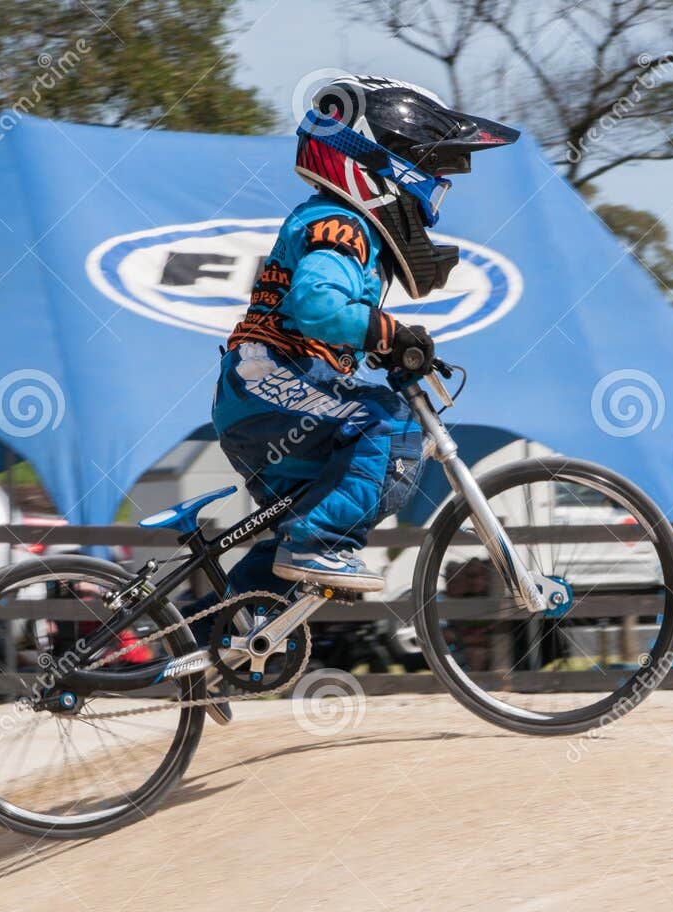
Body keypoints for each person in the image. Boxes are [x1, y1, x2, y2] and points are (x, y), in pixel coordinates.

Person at [212, 75, 518, 594]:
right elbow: (319, 305)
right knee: (391, 425)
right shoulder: (340, 223)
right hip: (270, 378)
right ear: (382, 162)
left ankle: (231, 637)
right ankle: (319, 543)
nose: (434, 184)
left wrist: (383, 348)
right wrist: (389, 333)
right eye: (427, 167)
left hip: (265, 391)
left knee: (301, 529)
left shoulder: (345, 227)